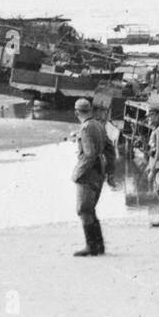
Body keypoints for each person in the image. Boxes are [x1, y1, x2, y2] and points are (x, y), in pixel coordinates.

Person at [72, 97, 118, 256]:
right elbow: (111, 150)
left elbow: (89, 154)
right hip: (100, 170)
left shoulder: (85, 128)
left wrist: (77, 173)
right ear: (90, 110)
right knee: (90, 209)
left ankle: (91, 246)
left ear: (76, 112)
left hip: (88, 173)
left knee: (83, 209)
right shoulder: (99, 125)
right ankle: (99, 245)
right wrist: (110, 173)